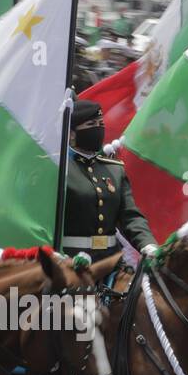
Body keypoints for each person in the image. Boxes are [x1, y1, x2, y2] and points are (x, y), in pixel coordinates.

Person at [59, 100, 156, 259]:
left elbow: (130, 216)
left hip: (112, 260)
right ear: (71, 133)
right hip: (70, 260)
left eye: (101, 123)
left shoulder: (115, 169)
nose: (98, 129)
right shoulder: (59, 168)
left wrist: (148, 245)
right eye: (91, 124)